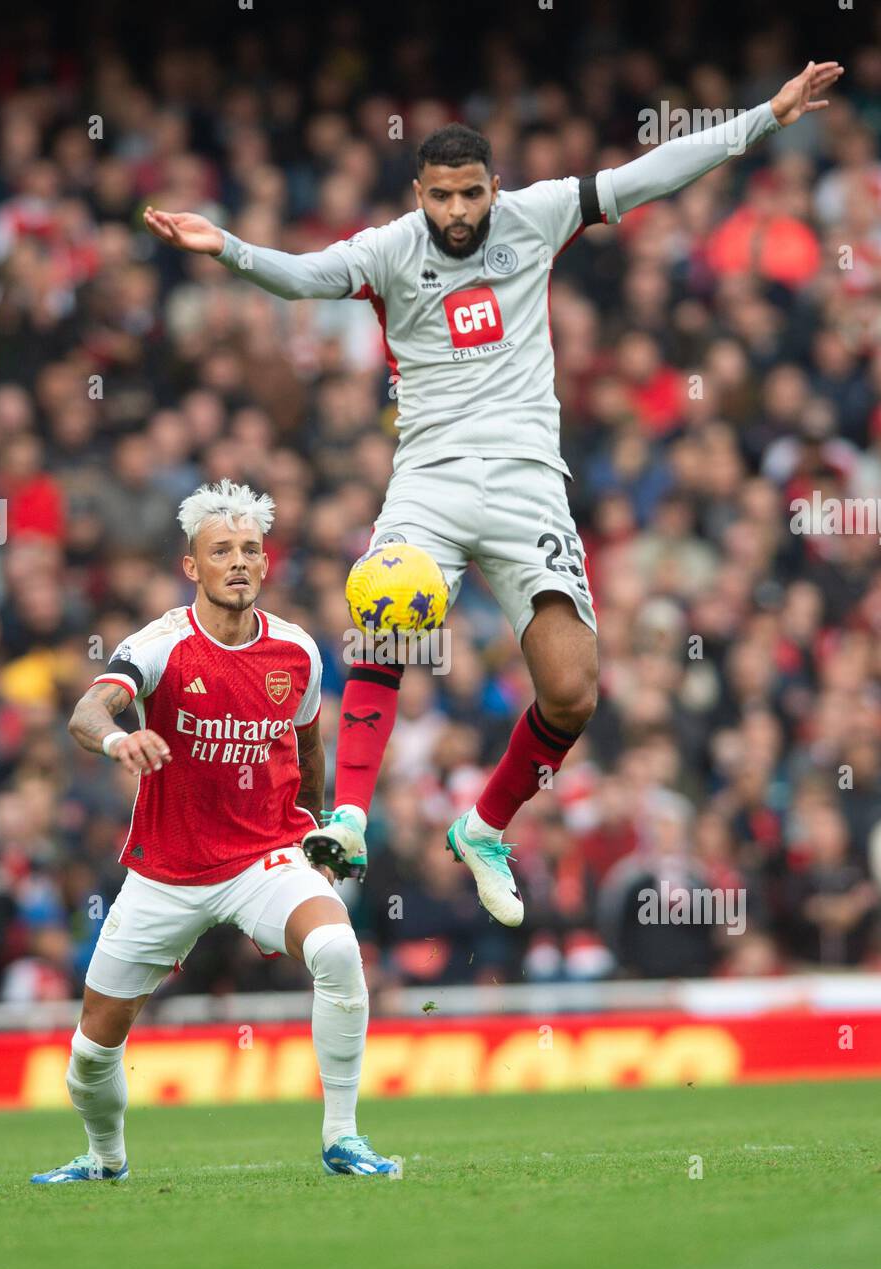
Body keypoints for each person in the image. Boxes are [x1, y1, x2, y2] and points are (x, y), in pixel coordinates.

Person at [144, 61, 842, 929]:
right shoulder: (390, 248)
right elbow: (306, 275)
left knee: (574, 692)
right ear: (420, 192)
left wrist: (764, 119)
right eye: (441, 197)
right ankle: (350, 818)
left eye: (471, 194)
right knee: (389, 612)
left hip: (527, 488)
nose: (458, 214)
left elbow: (649, 175)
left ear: (493, 186)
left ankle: (483, 829)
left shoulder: (536, 216)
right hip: (430, 480)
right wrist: (232, 251)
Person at [31, 479, 396, 1182]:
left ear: (266, 564)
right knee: (90, 1055)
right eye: (220, 550)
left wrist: (319, 835)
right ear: (191, 567)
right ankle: (105, 1160)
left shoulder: (297, 653)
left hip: (265, 855)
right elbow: (87, 712)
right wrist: (118, 743)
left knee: (337, 950)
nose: (238, 561)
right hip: (168, 870)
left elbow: (309, 748)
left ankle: (344, 1138)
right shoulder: (161, 645)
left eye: (251, 550)